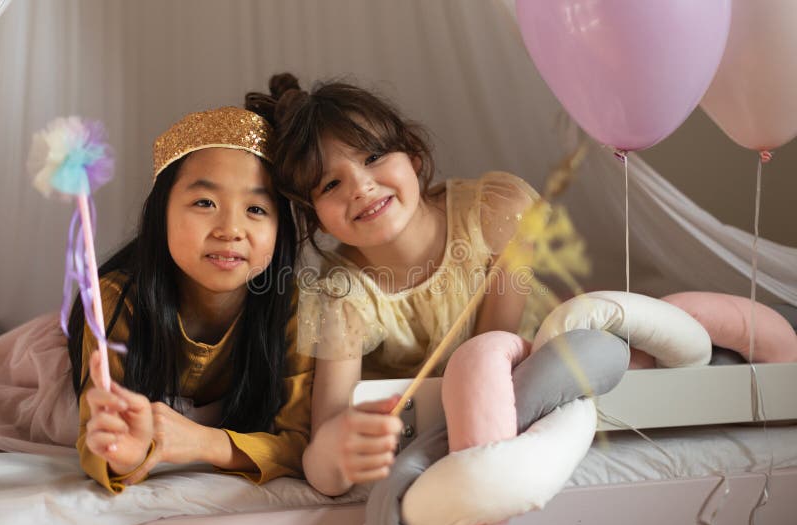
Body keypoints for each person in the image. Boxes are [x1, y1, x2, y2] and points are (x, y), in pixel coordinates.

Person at [265, 73, 541, 496]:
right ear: (316, 218)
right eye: (331, 184)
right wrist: (335, 453)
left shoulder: (496, 212)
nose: (361, 187)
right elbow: (326, 449)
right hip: (439, 417)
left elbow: (490, 358)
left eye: (373, 156)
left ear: (412, 154)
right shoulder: (340, 298)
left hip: (512, 377)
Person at [66, 105, 312, 493]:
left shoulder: (296, 306)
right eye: (205, 203)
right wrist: (125, 455)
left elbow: (301, 444)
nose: (231, 230)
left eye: (255, 209)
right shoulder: (115, 301)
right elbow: (99, 438)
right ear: (161, 211)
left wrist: (203, 443)